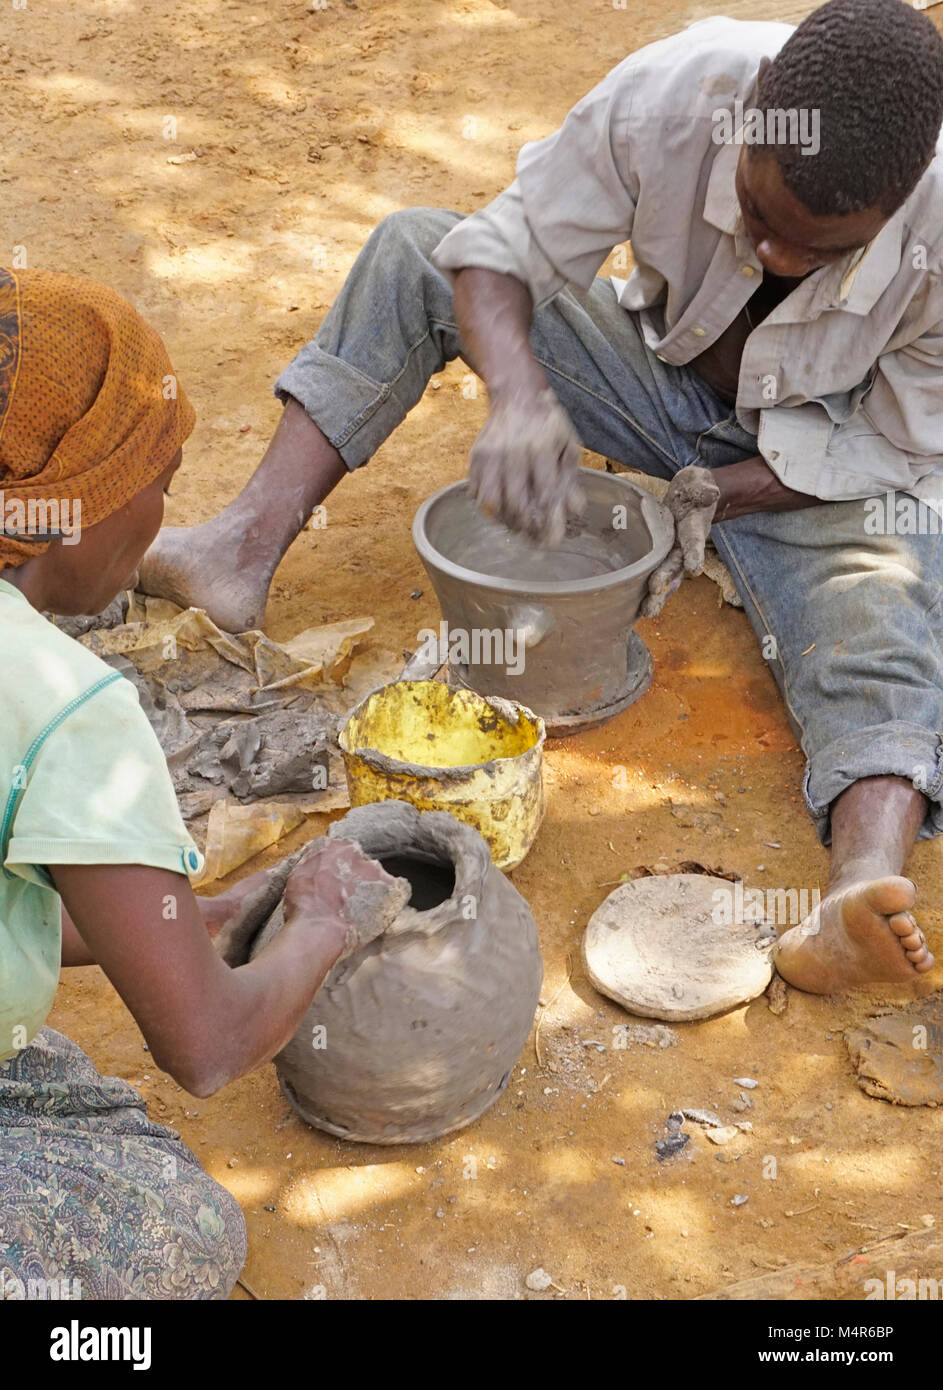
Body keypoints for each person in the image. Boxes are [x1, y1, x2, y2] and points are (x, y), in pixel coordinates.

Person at [138, 0, 943, 998]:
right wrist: (519, 394)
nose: (773, 255)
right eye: (757, 214)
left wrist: (714, 494)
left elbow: (898, 443)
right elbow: (497, 249)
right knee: (414, 252)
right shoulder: (676, 94)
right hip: (659, 375)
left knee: (877, 612)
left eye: (817, 250)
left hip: (821, 462)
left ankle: (859, 882)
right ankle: (238, 551)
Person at [0, 266, 394, 1299]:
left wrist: (189, 912)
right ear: (68, 508)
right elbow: (209, 1048)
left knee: (50, 1081)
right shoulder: (62, 705)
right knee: (172, 1226)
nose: (164, 513)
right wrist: (325, 921)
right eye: (154, 476)